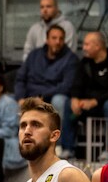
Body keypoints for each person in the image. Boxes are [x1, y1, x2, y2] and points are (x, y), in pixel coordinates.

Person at [15, 26, 79, 156]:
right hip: (31, 96)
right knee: (10, 102)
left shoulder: (70, 58)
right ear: (47, 40)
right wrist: (21, 98)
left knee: (59, 100)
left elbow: (67, 85)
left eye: (61, 39)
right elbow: (20, 78)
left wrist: (42, 97)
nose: (57, 41)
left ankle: (58, 146)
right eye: (54, 38)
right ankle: (20, 147)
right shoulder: (34, 55)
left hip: (54, 96)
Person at [62, 32, 108, 154]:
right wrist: (75, 98)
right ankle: (67, 149)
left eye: (87, 45)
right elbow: (76, 83)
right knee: (68, 103)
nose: (84, 48)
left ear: (97, 46)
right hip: (88, 105)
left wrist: (95, 101)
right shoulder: (85, 63)